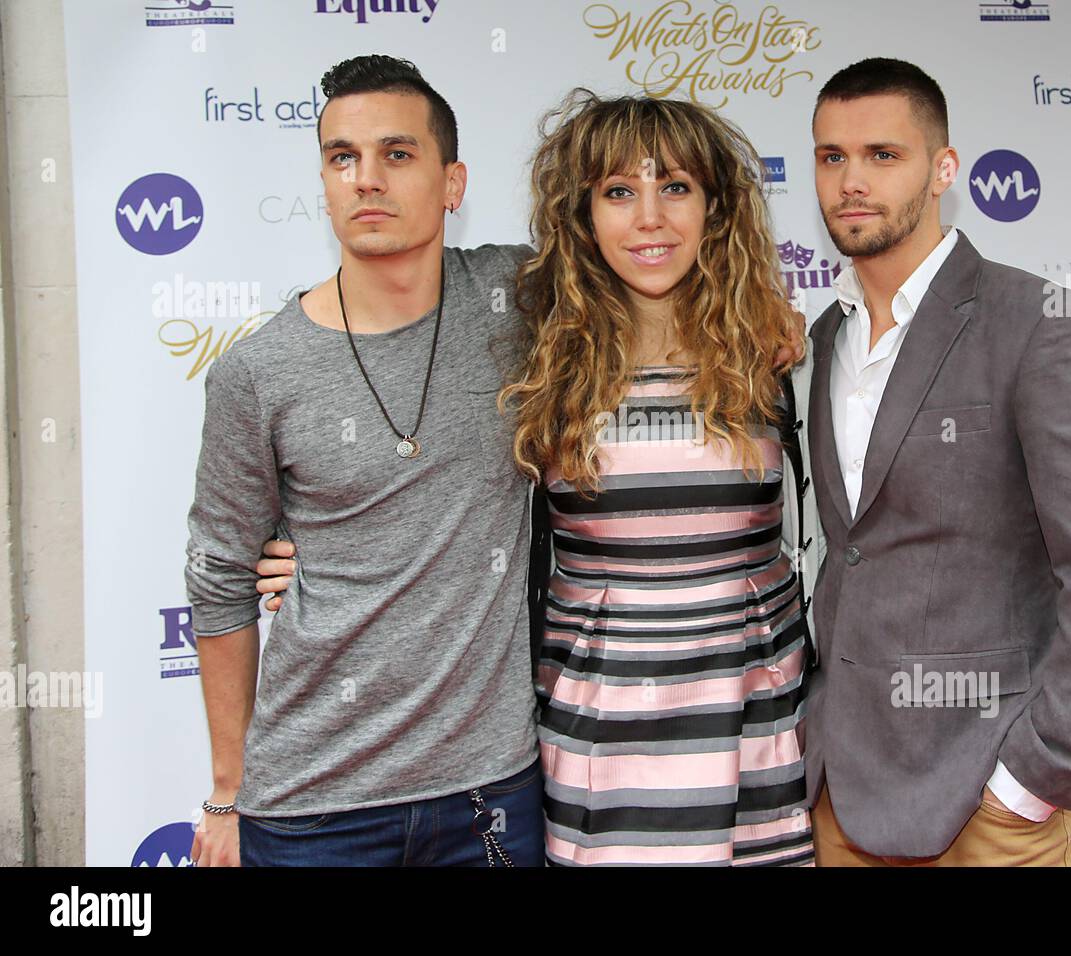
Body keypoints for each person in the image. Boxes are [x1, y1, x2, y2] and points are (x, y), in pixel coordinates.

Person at [259, 89, 821, 867]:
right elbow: (420, 445)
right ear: (584, 215)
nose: (649, 218)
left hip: (754, 737)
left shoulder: (776, 357)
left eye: (677, 188)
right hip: (598, 747)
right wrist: (321, 547)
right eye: (620, 192)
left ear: (716, 209)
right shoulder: (537, 349)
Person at [801, 58, 1071, 867]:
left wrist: (1033, 781)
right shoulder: (824, 338)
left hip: (988, 809)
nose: (852, 181)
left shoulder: (1043, 325)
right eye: (832, 157)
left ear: (943, 170)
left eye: (882, 155)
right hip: (842, 793)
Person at [184, 54, 544, 867]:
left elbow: (655, 270)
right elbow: (218, 580)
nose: (366, 179)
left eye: (397, 154)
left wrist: (767, 317)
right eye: (342, 158)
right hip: (314, 806)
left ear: (453, 183)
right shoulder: (259, 371)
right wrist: (226, 791)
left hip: (489, 791)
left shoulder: (520, 297)